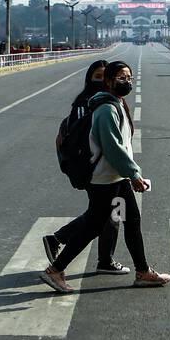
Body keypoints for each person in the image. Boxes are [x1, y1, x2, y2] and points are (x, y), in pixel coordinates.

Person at [40, 61, 170, 292]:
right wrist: (134, 174)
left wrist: (128, 174)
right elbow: (113, 148)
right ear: (109, 82)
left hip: (115, 178)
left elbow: (121, 145)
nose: (127, 82)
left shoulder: (117, 104)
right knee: (94, 226)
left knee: (132, 221)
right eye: (121, 78)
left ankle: (142, 272)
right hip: (104, 180)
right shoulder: (106, 110)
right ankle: (55, 270)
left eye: (129, 78)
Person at [43, 60, 125, 275]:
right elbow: (84, 139)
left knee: (106, 213)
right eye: (97, 76)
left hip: (110, 168)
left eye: (105, 76)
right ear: (89, 78)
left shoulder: (111, 99)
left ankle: (100, 257)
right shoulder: (85, 103)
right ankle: (69, 247)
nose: (101, 81)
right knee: (107, 214)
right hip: (96, 168)